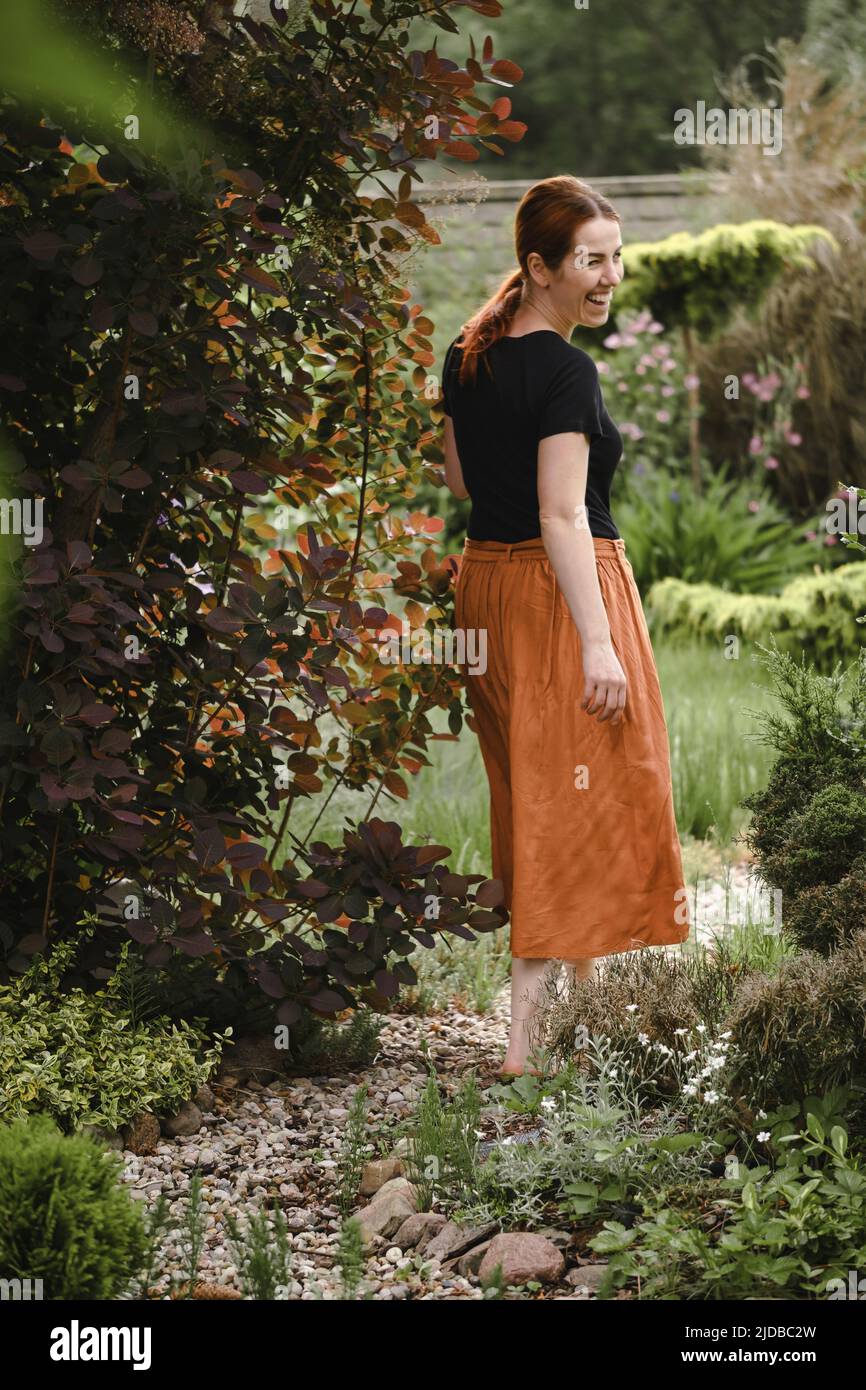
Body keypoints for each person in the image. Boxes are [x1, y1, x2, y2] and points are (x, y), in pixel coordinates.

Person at [440, 175, 691, 1078]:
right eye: (592, 259)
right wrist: (597, 640)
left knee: (543, 794)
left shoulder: (468, 348)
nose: (610, 276)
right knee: (583, 796)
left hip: (489, 594)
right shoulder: (566, 369)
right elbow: (562, 515)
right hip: (558, 596)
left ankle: (571, 1028)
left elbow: (464, 485)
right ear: (540, 267)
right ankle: (526, 1051)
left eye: (617, 257)